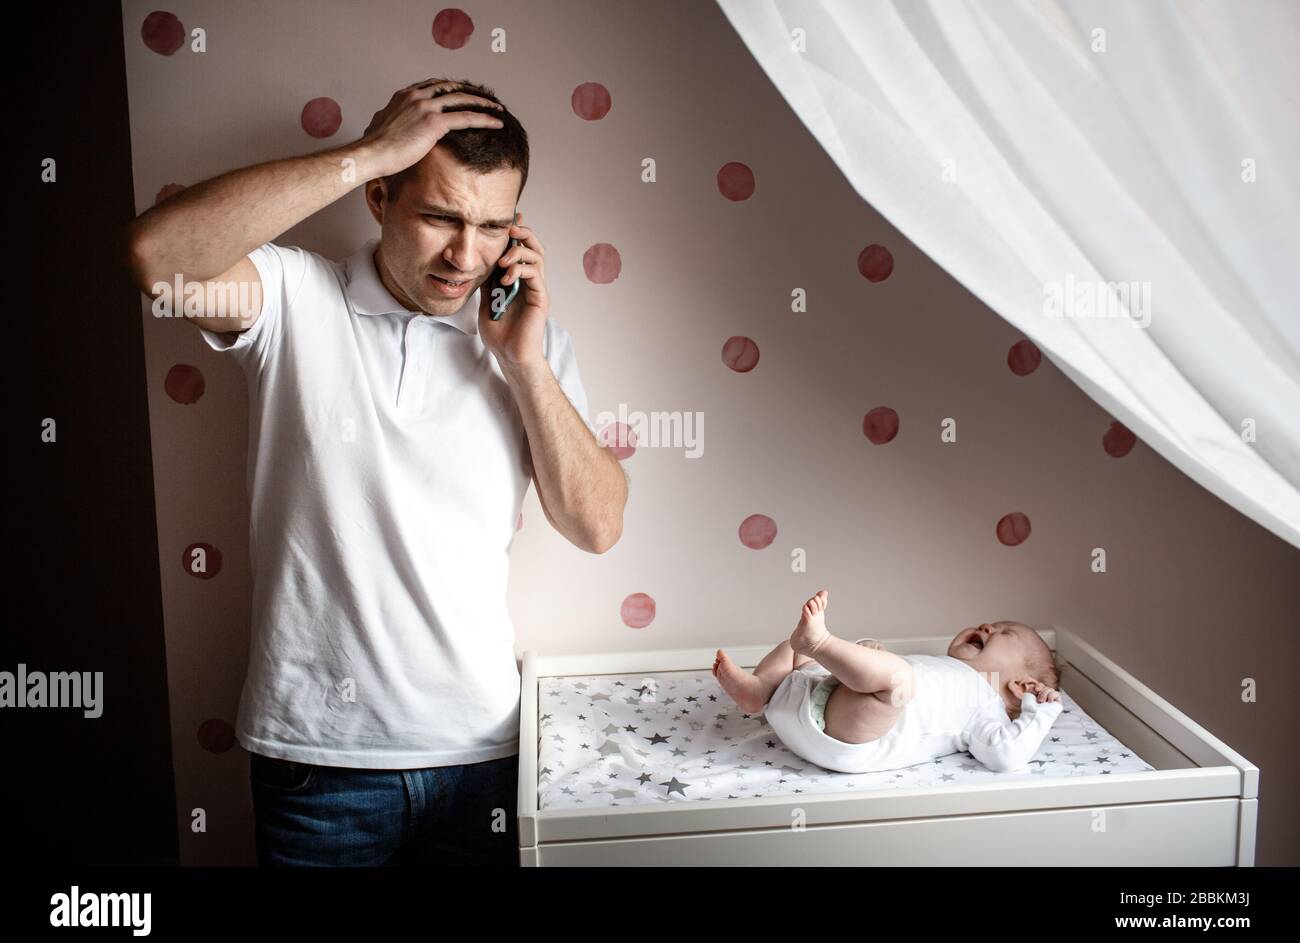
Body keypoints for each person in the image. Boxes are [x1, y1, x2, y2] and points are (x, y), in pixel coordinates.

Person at [125, 77, 628, 865]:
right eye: (440, 217)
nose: (467, 255)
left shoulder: (530, 345)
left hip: (484, 757)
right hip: (318, 764)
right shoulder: (295, 296)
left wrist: (523, 364)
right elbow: (157, 257)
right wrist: (363, 154)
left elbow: (597, 525)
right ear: (380, 197)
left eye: (493, 226)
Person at [713, 590, 1063, 774]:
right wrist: (869, 656)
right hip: (808, 703)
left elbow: (1005, 756)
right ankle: (760, 691)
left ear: (1020, 684)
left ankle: (820, 644)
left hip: (850, 736)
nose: (988, 626)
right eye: (990, 623)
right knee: (794, 648)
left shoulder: (989, 709)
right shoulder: (940, 665)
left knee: (899, 682)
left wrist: (1040, 712)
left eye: (1006, 633)